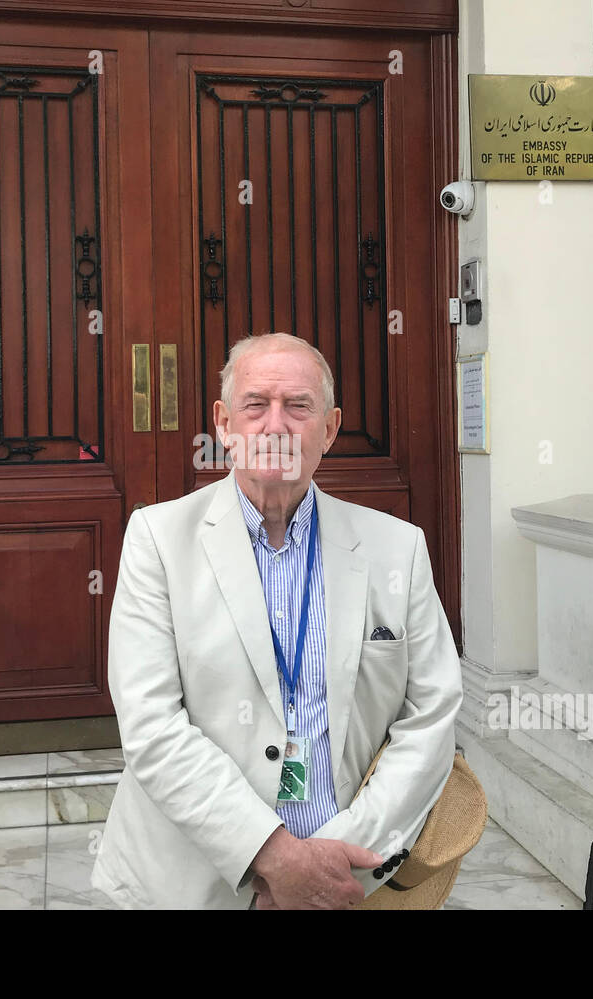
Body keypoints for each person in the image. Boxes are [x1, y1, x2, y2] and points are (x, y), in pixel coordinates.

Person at [89, 332, 463, 909]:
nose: (275, 425)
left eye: (299, 406)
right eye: (255, 404)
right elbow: (150, 725)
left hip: (346, 881)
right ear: (223, 423)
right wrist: (274, 858)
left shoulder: (399, 550)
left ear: (331, 428)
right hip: (192, 886)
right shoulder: (158, 541)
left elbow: (433, 713)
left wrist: (332, 865)